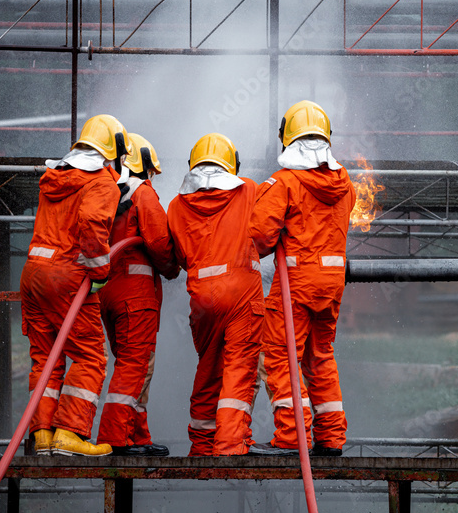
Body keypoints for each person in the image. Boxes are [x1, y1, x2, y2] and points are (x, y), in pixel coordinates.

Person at [249, 100, 355, 457]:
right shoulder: (345, 184)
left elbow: (258, 237)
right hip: (332, 284)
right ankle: (331, 436)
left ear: (286, 138)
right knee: (320, 356)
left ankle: (293, 436)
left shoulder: (284, 183)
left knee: (279, 356)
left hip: (296, 284)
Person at [166, 133, 282, 456]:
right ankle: (230, 443)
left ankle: (202, 445)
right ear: (233, 165)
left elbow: (177, 257)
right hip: (242, 295)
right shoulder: (249, 190)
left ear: (193, 164)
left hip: (202, 299)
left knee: (208, 368)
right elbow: (269, 232)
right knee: (239, 369)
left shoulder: (176, 205)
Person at [21, 114, 128, 457]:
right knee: (89, 357)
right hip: (66, 277)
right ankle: (69, 433)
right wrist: (100, 274)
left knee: (45, 357)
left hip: (33, 274)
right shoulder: (101, 183)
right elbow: (92, 227)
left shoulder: (55, 177)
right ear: (113, 151)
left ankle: (43, 435)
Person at [96, 133, 180, 457]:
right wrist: (172, 268)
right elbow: (159, 242)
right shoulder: (142, 193)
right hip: (136, 296)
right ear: (141, 165)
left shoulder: (104, 196)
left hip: (107, 294)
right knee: (135, 367)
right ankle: (115, 437)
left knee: (135, 367)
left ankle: (137, 436)